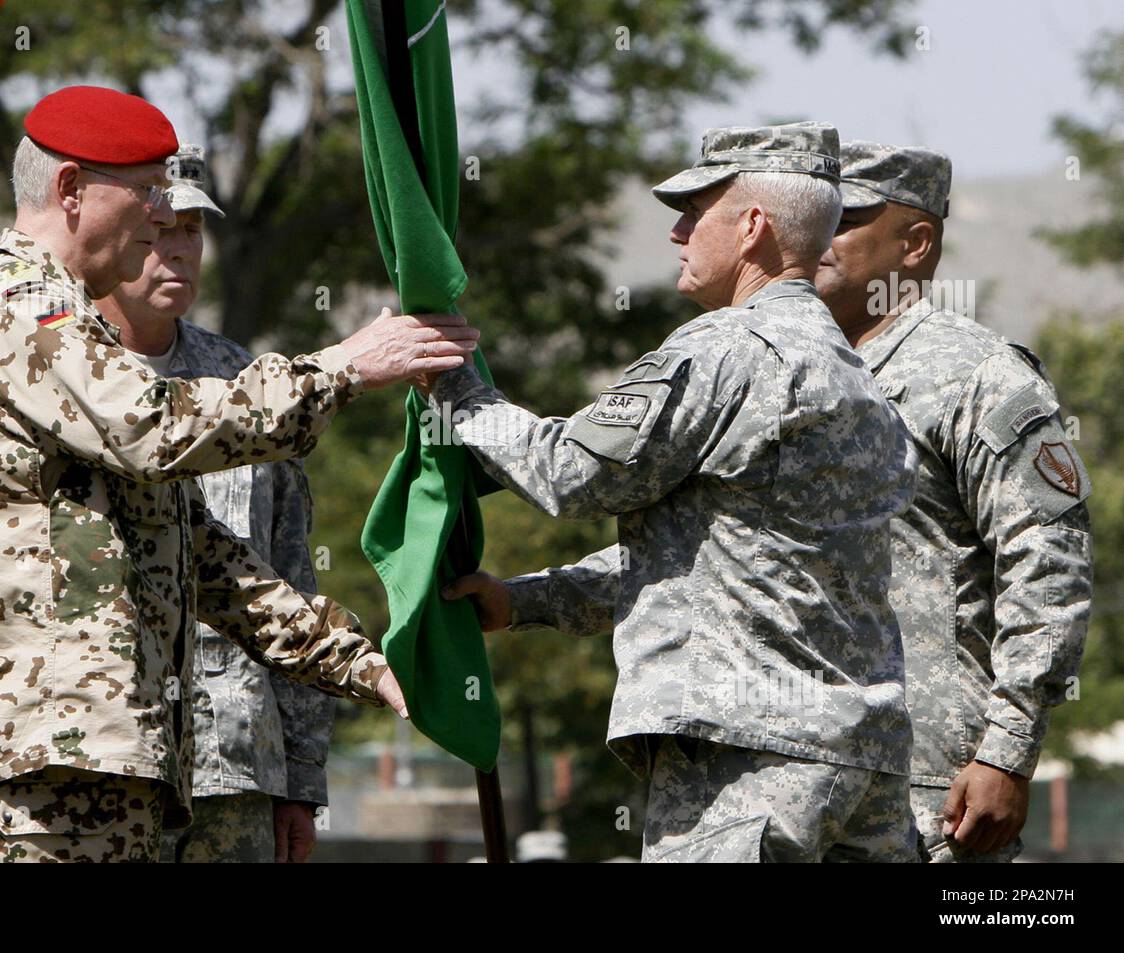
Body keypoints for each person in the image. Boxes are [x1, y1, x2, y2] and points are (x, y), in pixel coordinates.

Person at [0, 86, 476, 861]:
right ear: (71, 189)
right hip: (52, 746)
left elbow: (194, 552)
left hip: (102, 750)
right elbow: (155, 425)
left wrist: (350, 657)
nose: (158, 219)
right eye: (145, 193)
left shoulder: (68, 320)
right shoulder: (17, 308)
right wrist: (341, 368)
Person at [435, 122, 922, 862]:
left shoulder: (728, 348)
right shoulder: (856, 373)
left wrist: (453, 388)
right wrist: (527, 600)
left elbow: (569, 473)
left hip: (747, 755)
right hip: (863, 760)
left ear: (753, 226)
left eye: (697, 210)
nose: (677, 232)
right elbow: (710, 559)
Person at [814, 140, 1093, 861]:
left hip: (929, 788)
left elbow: (1049, 565)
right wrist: (525, 600)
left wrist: (1007, 752)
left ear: (916, 243)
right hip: (798, 776)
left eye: (842, 219)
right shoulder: (789, 373)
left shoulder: (980, 377)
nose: (815, 236)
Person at [96, 144, 335, 863]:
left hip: (235, 766)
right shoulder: (66, 371)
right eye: (160, 230)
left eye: (192, 233)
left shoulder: (250, 382)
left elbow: (291, 579)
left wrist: (300, 778)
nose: (177, 253)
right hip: (105, 758)